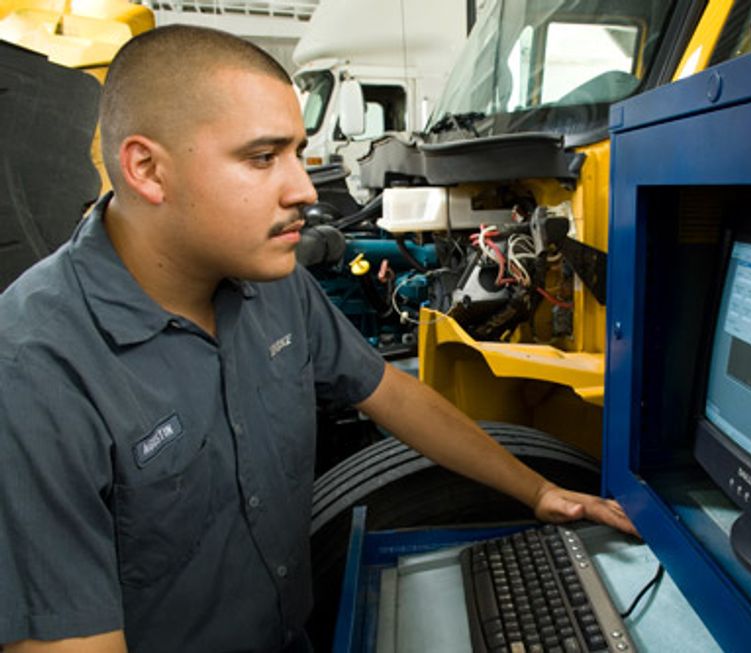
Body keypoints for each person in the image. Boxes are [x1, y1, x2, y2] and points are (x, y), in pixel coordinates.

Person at [0, 25, 636, 653]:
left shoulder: (272, 282)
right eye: (261, 158)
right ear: (147, 169)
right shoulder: (35, 370)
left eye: (297, 152)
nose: (304, 189)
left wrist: (538, 490)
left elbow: (395, 396)